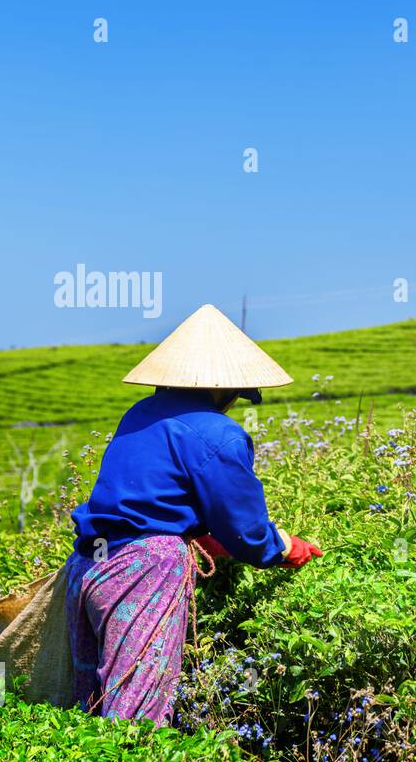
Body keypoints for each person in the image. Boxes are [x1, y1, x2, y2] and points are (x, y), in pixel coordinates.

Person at [67, 304, 321, 726]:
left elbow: (147, 499)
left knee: (89, 703)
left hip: (90, 563)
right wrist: (284, 547)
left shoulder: (139, 414)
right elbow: (244, 527)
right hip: (141, 569)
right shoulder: (218, 434)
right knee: (134, 708)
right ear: (229, 389)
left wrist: (201, 537)